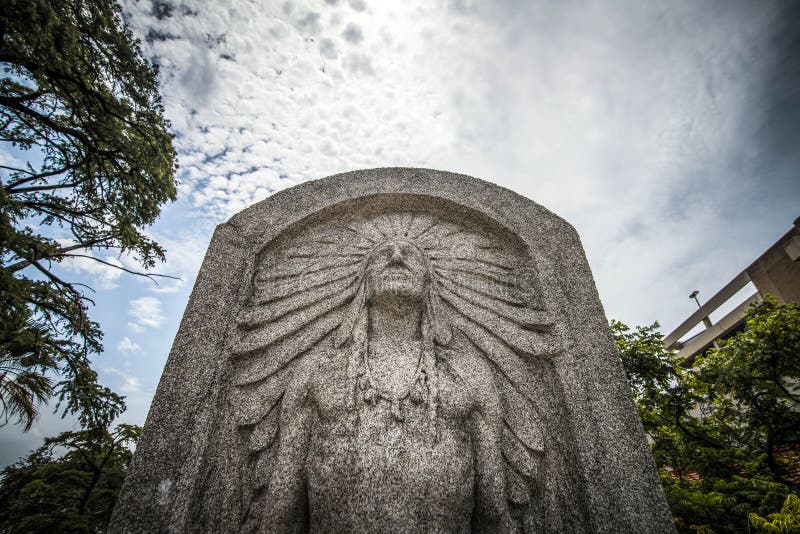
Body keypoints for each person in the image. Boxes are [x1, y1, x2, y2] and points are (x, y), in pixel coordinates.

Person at [260, 240, 513, 533]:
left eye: (411, 256)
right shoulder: (316, 371)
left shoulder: (470, 373)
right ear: (364, 284)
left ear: (429, 285)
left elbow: (493, 510)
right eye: (382, 255)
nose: (396, 256)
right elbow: (283, 504)